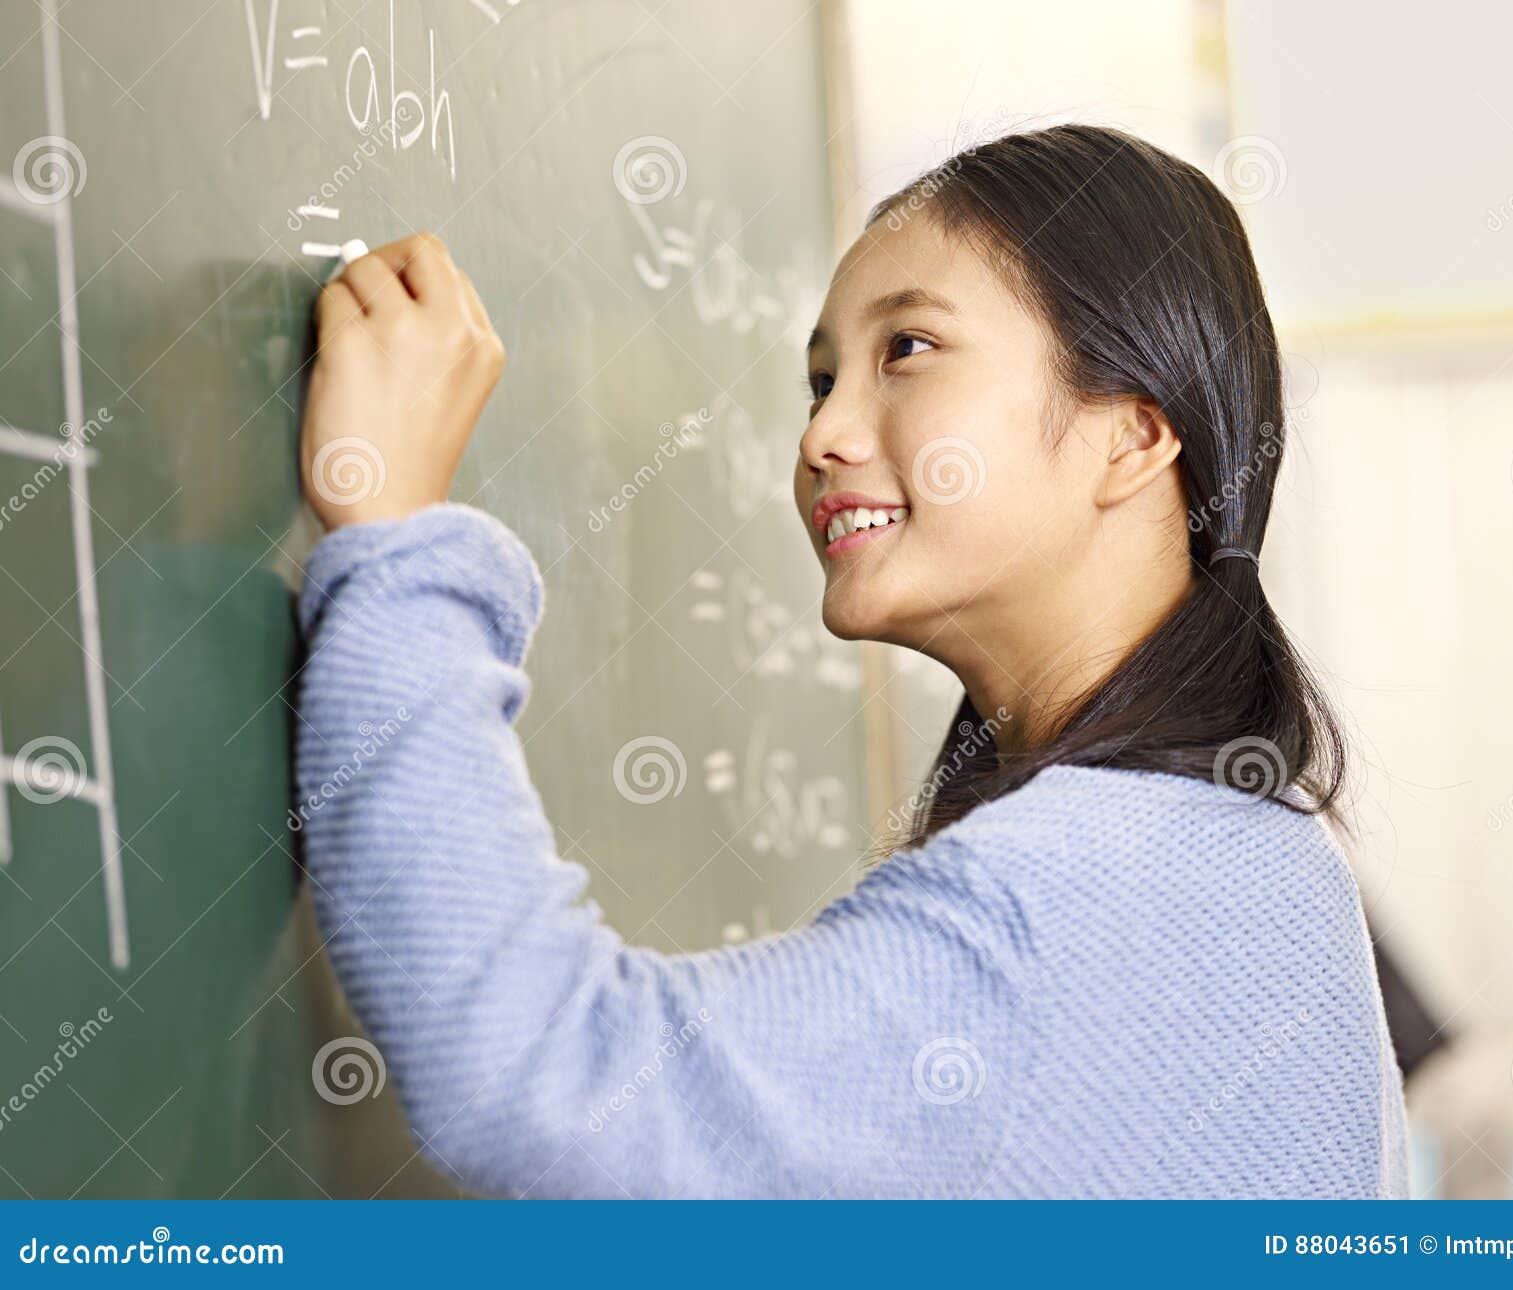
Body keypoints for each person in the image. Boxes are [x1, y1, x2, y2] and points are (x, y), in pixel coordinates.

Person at [293, 124, 1408, 1199]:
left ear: (1131, 432)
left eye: (907, 351)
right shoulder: (1261, 851)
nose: (823, 435)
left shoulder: (1064, 906)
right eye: (821, 381)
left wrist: (394, 529)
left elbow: (544, 1076)